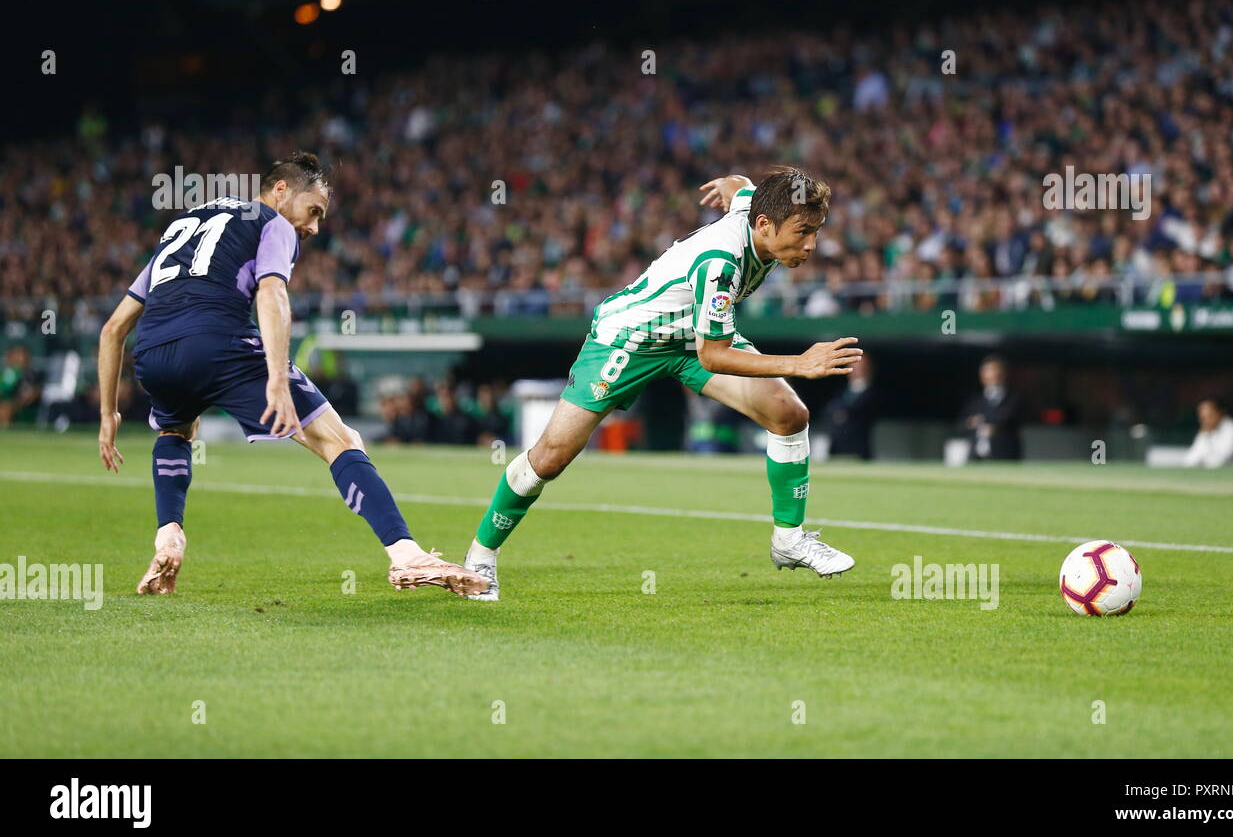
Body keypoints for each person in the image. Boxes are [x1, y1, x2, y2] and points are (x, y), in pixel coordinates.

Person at [459, 167, 862, 600]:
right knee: (551, 457)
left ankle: (789, 539)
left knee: (788, 414)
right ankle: (481, 556)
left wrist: (728, 184)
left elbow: (741, 187)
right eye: (803, 232)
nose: (811, 245)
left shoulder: (754, 208)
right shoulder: (720, 263)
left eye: (816, 232)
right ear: (764, 225)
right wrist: (800, 364)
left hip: (692, 333)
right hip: (631, 338)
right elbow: (715, 357)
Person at [96, 152, 486, 597]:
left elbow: (113, 329)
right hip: (220, 343)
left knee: (176, 431)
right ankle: (405, 554)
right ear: (280, 191)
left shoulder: (183, 227)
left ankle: (169, 536)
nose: (315, 227)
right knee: (339, 440)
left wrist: (109, 413)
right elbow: (273, 291)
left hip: (154, 356)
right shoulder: (272, 224)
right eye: (313, 211)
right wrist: (276, 378)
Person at [956, 355, 1023, 461]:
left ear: (1004, 373)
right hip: (975, 457)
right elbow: (960, 426)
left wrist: (986, 423)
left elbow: (1007, 419)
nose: (992, 374)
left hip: (1004, 456)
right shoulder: (975, 401)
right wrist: (970, 423)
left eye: (995, 370)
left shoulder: (1014, 399)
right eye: (987, 370)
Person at [822, 351, 878, 459]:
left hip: (859, 449)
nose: (857, 370)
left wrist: (846, 414)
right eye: (854, 366)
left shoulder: (873, 393)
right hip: (837, 448)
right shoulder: (840, 392)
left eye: (860, 366)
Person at [1182, 397, 1233, 467]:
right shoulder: (1206, 431)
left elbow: (1219, 462)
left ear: (1221, 412)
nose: (1206, 421)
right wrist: (1205, 435)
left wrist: (1206, 437)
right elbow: (1191, 459)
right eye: (1203, 418)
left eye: (1210, 415)